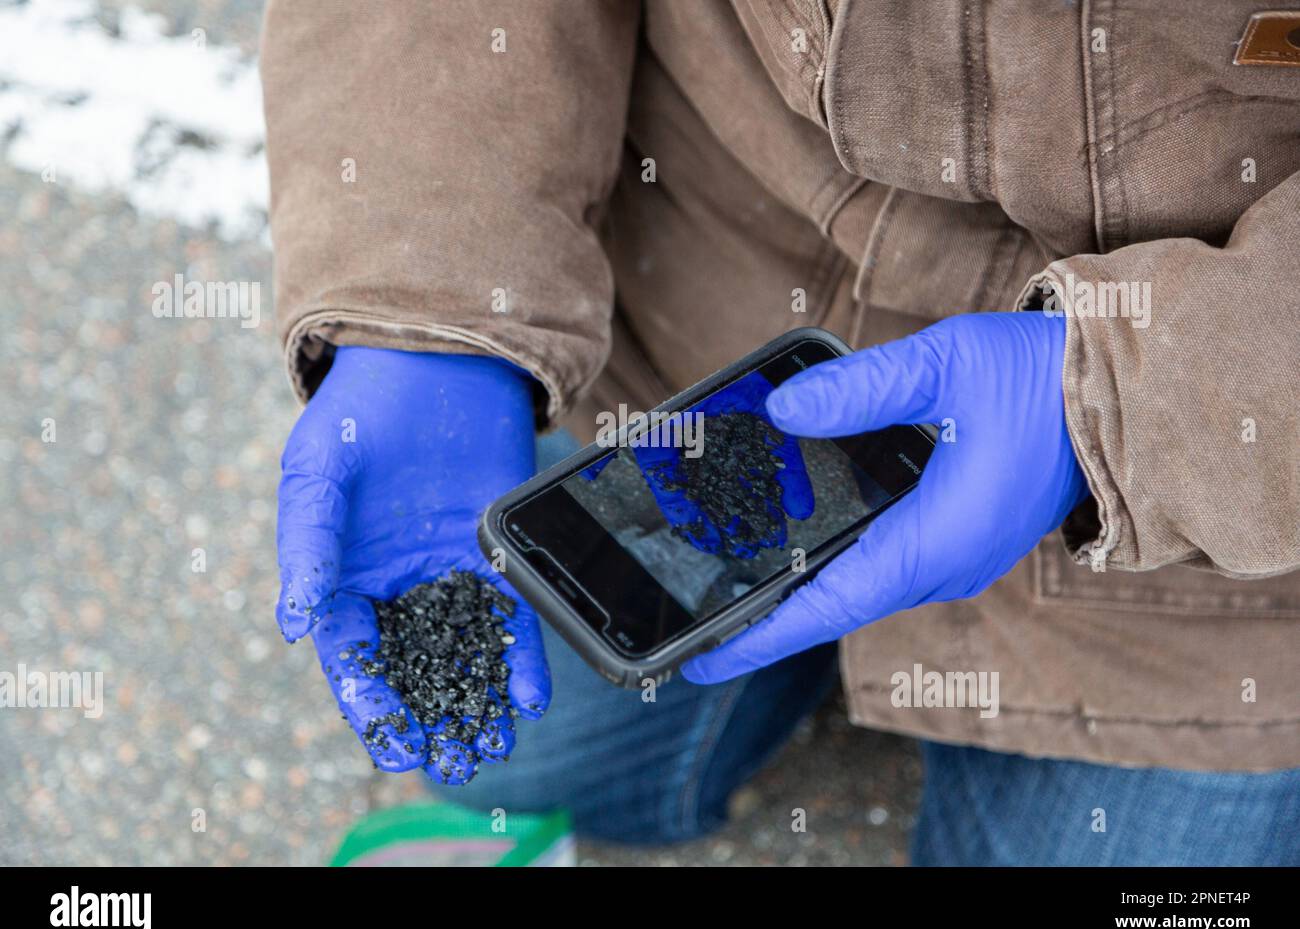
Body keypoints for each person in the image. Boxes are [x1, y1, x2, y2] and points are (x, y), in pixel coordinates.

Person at [261, 1, 1300, 864]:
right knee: (507, 752)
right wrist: (428, 301)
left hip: (1196, 528)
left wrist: (1118, 404)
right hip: (712, 339)